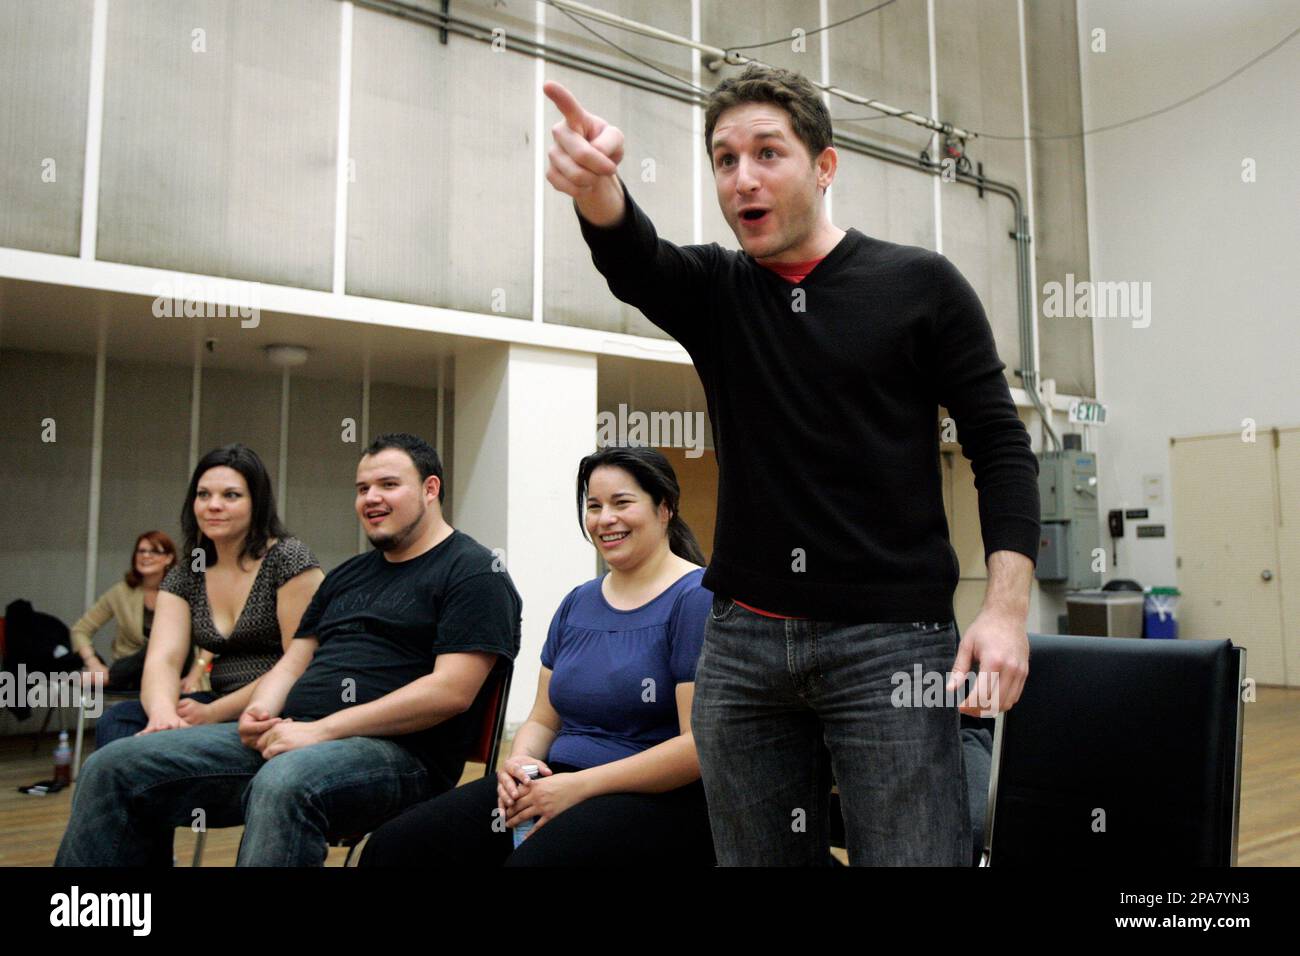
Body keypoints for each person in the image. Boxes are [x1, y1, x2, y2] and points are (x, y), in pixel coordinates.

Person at [544, 65, 1040, 866]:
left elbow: (1001, 444)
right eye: (724, 159)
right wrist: (599, 191)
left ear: (825, 166)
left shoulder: (921, 286)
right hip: (741, 645)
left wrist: (1006, 609)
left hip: (891, 642)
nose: (743, 178)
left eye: (768, 153)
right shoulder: (718, 289)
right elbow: (637, 262)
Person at [55, 433, 522, 867]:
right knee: (112, 766)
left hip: (400, 758)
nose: (371, 498)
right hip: (292, 737)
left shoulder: (475, 572)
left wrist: (321, 731)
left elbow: (449, 692)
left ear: (430, 489)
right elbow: (295, 660)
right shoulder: (349, 575)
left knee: (286, 781)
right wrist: (259, 709)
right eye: (362, 488)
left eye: (388, 484)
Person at [360, 446, 714, 867]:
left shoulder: (696, 598)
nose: (605, 519)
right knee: (396, 845)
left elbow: (696, 748)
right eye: (594, 506)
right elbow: (544, 719)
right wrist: (520, 761)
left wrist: (578, 787)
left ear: (665, 509)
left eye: (622, 503)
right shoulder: (578, 601)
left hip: (655, 798)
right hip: (554, 779)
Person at [90, 445, 323, 748]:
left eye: (231, 495)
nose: (213, 505)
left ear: (257, 503)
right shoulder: (188, 573)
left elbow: (299, 663)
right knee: (119, 719)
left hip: (276, 708)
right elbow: (163, 660)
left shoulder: (288, 559)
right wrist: (163, 716)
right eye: (203, 495)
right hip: (215, 701)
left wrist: (213, 712)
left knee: (160, 755)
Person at [72, 531, 189, 690]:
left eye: (154, 551)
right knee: (149, 651)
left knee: (161, 643)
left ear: (169, 558)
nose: (146, 556)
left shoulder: (182, 591)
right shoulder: (121, 592)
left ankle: (110, 678)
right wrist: (93, 663)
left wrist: (195, 676)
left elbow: (201, 640)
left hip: (173, 672)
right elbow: (80, 630)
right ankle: (108, 677)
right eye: (141, 551)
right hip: (130, 672)